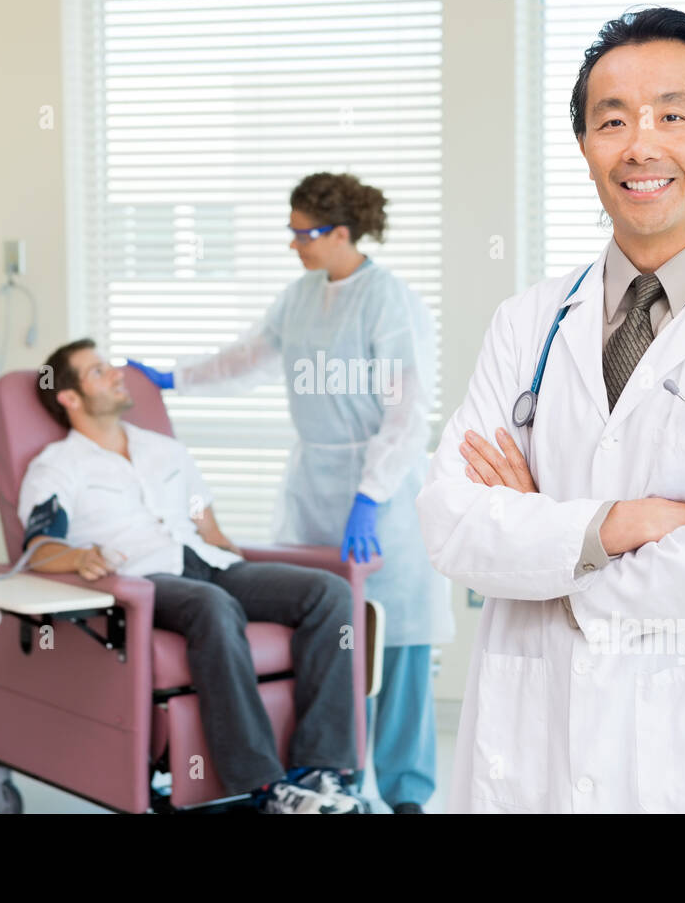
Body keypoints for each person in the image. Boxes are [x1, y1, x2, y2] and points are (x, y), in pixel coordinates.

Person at [415, 7, 685, 813]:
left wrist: (550, 547)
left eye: (673, 115)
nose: (640, 145)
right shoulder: (527, 323)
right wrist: (615, 526)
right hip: (527, 748)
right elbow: (451, 523)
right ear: (585, 146)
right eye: (612, 120)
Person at [129, 172, 454, 813]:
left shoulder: (390, 301)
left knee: (398, 645)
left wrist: (371, 495)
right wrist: (171, 377)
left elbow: (408, 412)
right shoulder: (301, 296)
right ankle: (329, 779)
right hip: (314, 489)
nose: (294, 244)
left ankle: (408, 794)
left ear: (340, 233)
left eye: (303, 233)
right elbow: (246, 358)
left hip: (383, 497)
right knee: (329, 637)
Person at [19, 338, 368, 813]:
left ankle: (321, 769)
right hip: (142, 579)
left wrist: (253, 568)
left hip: (209, 563)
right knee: (212, 605)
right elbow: (39, 548)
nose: (117, 374)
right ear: (69, 397)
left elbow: (207, 524)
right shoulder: (57, 466)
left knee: (328, 592)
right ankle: (264, 786)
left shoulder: (164, 449)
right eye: (99, 372)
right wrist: (80, 560)